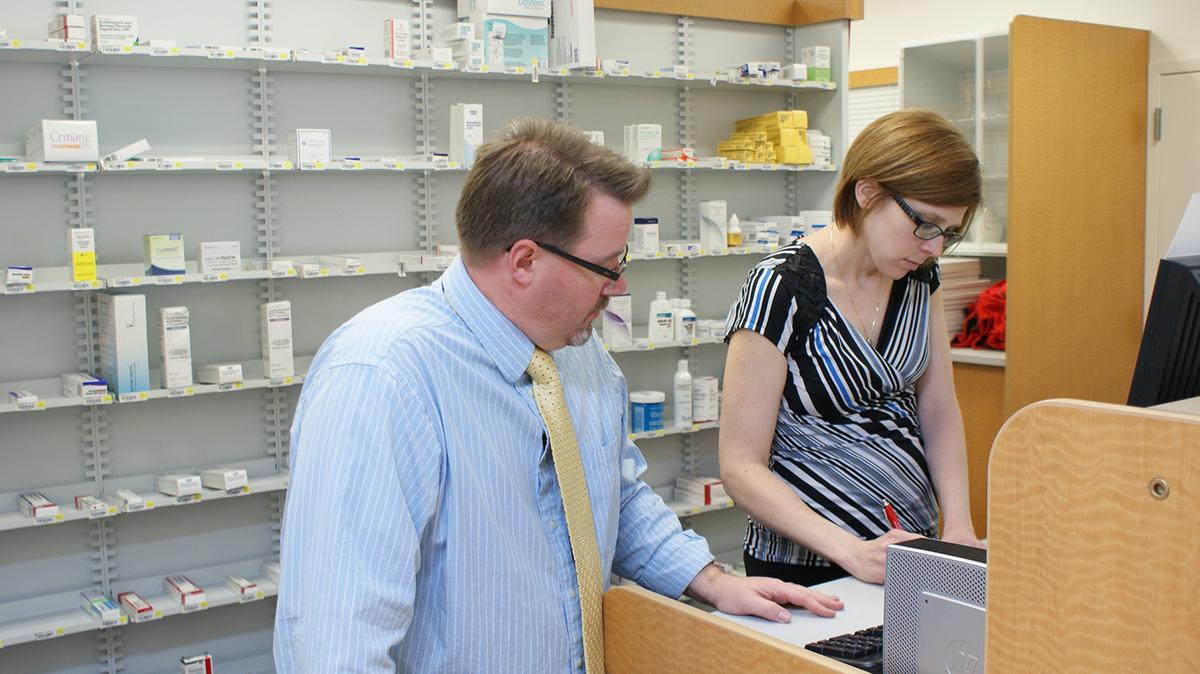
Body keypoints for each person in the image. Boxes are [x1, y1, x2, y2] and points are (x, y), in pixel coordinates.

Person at [274, 118, 843, 673]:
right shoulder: (384, 375)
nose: (619, 286)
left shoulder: (579, 352)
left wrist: (712, 582)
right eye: (605, 266)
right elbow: (337, 635)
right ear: (524, 261)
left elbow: (612, 496)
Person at [719, 110, 985, 587]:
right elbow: (740, 466)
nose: (936, 248)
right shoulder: (780, 286)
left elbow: (938, 408)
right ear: (868, 193)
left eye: (950, 232)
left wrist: (959, 526)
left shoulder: (920, 279)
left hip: (909, 550)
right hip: (804, 566)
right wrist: (852, 551)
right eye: (927, 225)